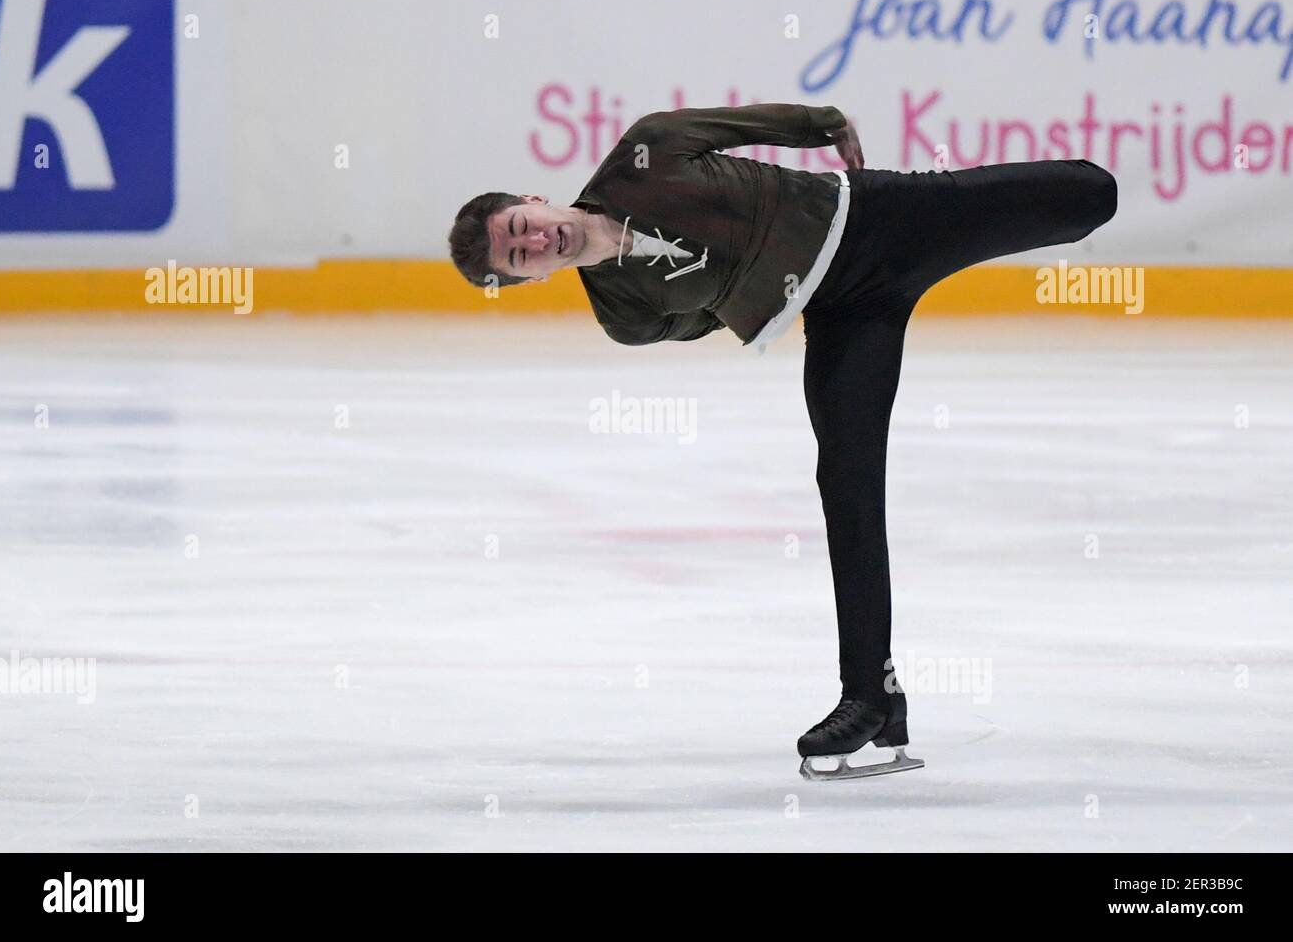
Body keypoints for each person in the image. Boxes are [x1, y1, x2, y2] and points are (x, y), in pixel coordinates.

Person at [448, 103, 1117, 779]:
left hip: (878, 220)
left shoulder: (646, 152)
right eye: (519, 257)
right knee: (846, 483)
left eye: (521, 227)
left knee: (1093, 195)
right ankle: (872, 697)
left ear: (533, 201)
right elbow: (710, 317)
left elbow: (754, 126)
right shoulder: (624, 313)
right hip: (841, 316)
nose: (536, 243)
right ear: (527, 280)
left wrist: (828, 125)